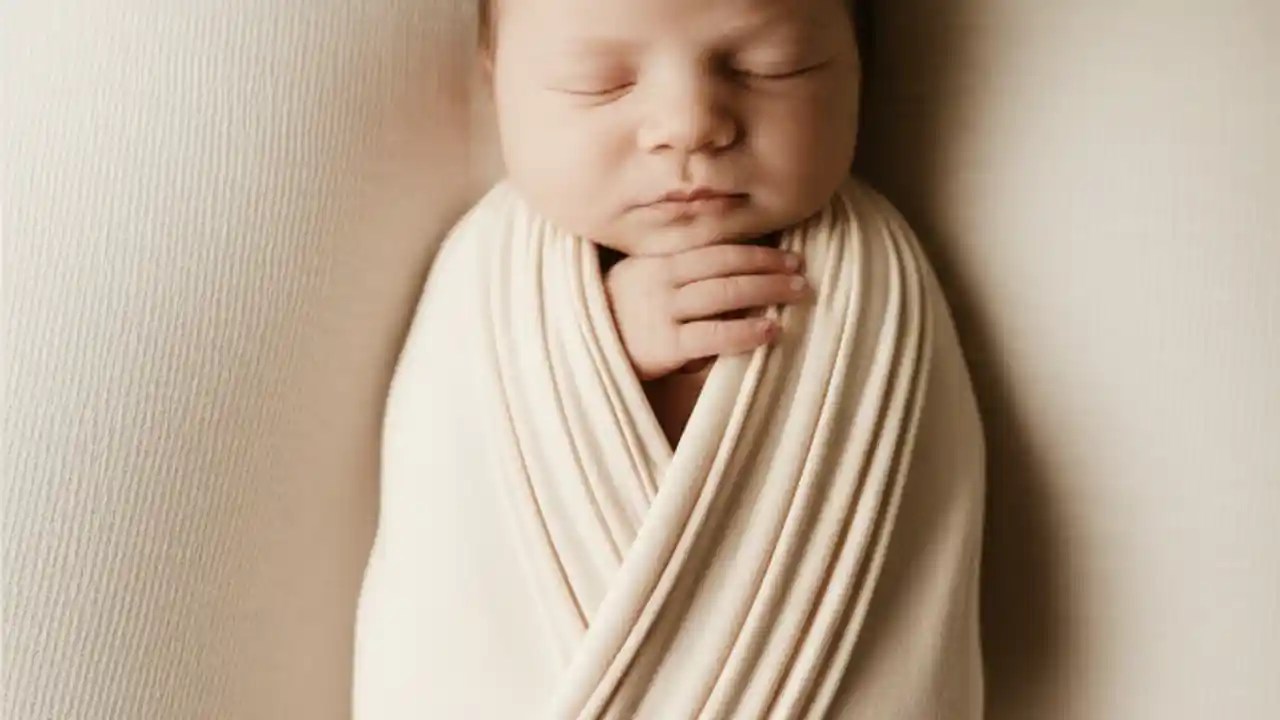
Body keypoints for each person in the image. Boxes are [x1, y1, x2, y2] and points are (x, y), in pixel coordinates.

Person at [352, 0, 986, 717]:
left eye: (769, 66)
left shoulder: (874, 276)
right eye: (598, 81)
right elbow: (450, 508)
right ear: (495, 83)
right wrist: (586, 358)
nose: (689, 125)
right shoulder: (490, 275)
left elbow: (917, 548)